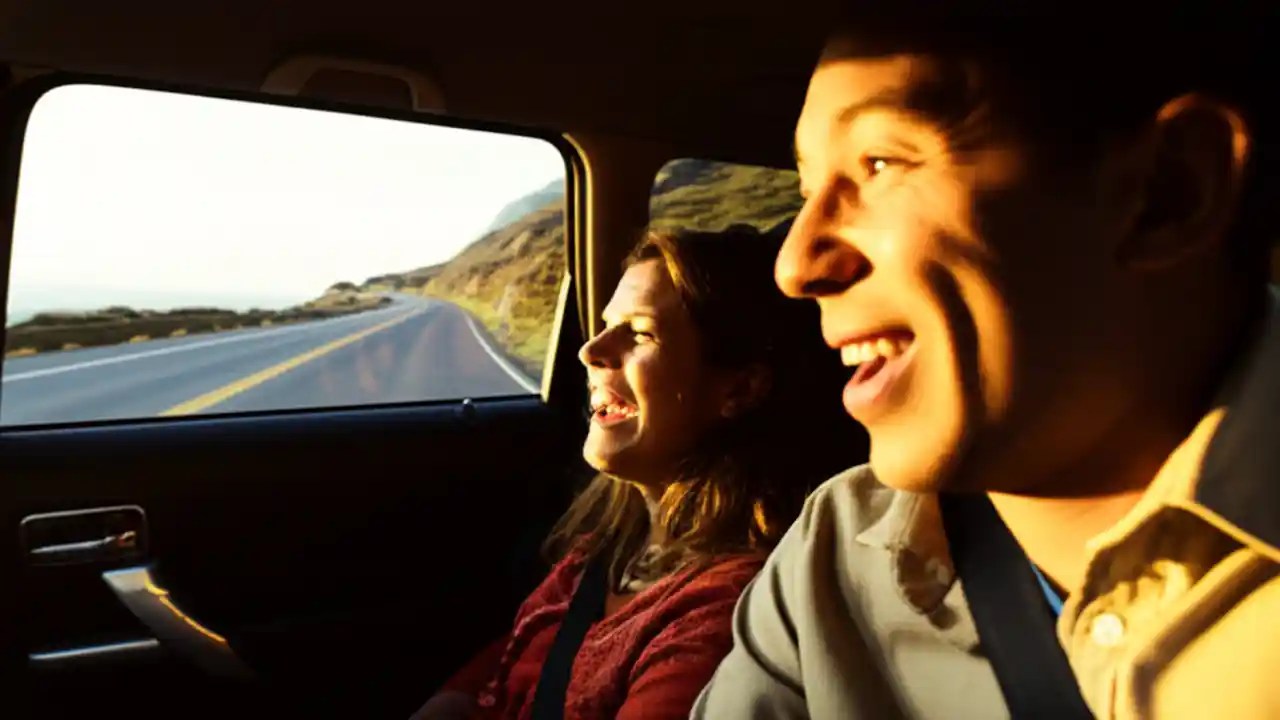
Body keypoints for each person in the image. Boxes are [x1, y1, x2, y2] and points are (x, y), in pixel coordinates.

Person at [694, 13, 1276, 720]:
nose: (795, 265)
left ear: (1168, 192)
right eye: (804, 188)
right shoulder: (832, 560)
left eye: (880, 162)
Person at [411, 225, 862, 720]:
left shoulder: (717, 616)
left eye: (641, 332)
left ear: (738, 390)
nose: (591, 351)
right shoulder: (615, 543)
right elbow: (519, 653)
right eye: (607, 325)